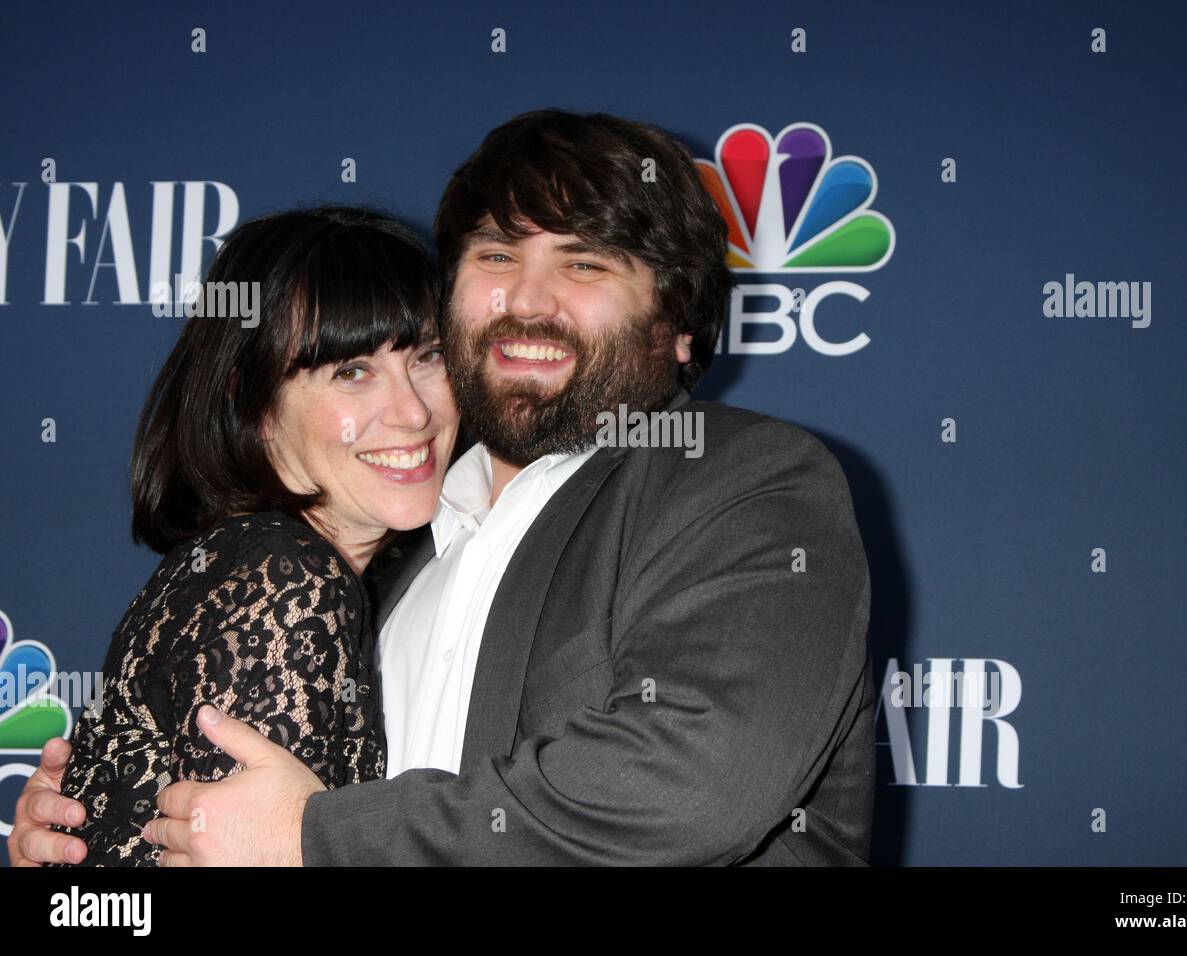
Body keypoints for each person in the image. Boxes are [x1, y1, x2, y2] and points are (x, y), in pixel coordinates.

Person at [10, 109, 874, 867]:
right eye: (497, 254)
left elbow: (694, 783)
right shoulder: (387, 557)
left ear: (680, 327)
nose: (526, 300)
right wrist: (99, 828)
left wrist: (319, 839)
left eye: (585, 265)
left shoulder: (742, 480)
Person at [33, 205, 459, 864]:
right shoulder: (287, 577)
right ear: (254, 405)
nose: (414, 411)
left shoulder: (240, 562)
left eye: (428, 356)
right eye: (352, 371)